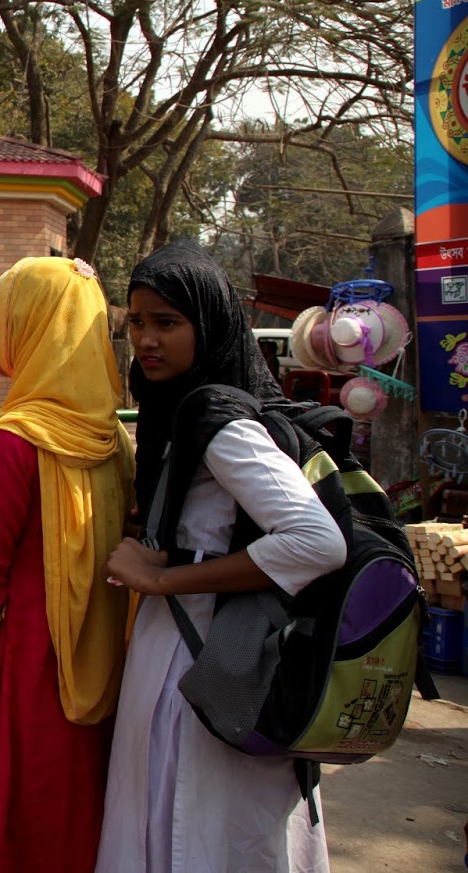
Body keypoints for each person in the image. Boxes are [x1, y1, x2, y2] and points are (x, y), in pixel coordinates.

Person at [96, 244, 345, 873]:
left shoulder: (219, 418)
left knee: (192, 826)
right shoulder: (190, 407)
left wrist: (163, 578)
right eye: (137, 322)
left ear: (208, 326)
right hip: (199, 643)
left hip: (208, 651)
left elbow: (316, 541)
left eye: (167, 323)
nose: (147, 340)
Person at [0, 258, 135, 873]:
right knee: (78, 807)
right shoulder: (113, 437)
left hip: (23, 664)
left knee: (16, 808)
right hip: (100, 656)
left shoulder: (13, 440)